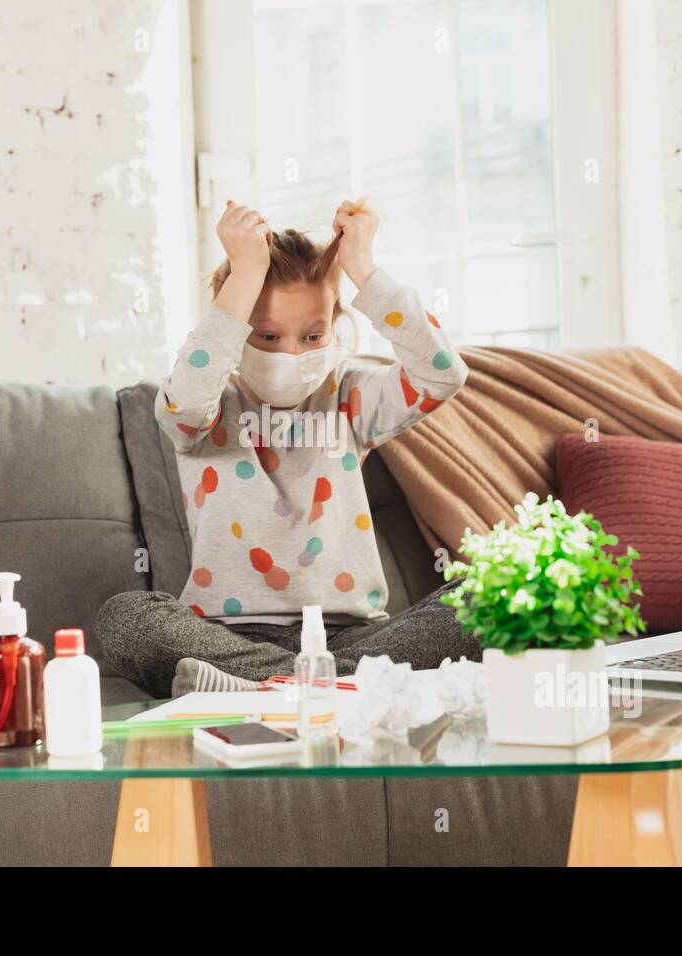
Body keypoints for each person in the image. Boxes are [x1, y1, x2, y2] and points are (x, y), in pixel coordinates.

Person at [98, 198, 477, 697]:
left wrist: (363, 269)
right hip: (227, 634)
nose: (290, 353)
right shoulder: (204, 405)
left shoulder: (350, 397)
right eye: (268, 335)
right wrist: (244, 277)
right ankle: (339, 687)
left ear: (334, 326)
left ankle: (262, 687)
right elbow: (186, 404)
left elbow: (442, 373)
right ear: (235, 332)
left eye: (312, 335)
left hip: (351, 633)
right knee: (126, 619)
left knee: (493, 599)